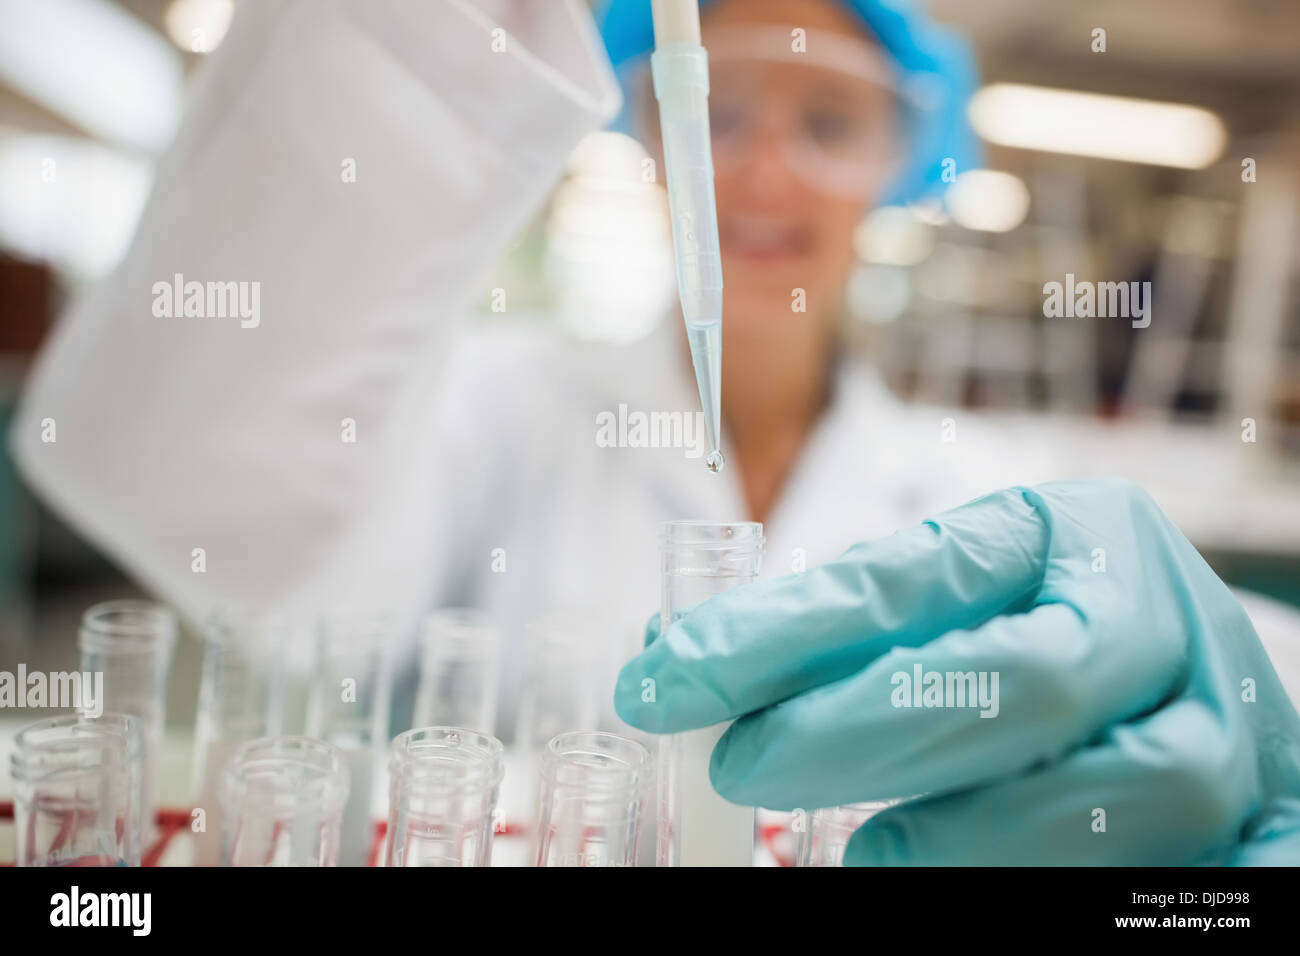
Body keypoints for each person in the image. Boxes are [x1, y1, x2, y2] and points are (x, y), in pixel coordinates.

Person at [9, 0, 1299, 864]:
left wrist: (1234, 694)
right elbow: (224, 519)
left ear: (907, 164)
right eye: (722, 111)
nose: (763, 170)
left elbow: (1227, 676)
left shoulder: (980, 490)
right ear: (652, 139)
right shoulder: (497, 408)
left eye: (829, 122)